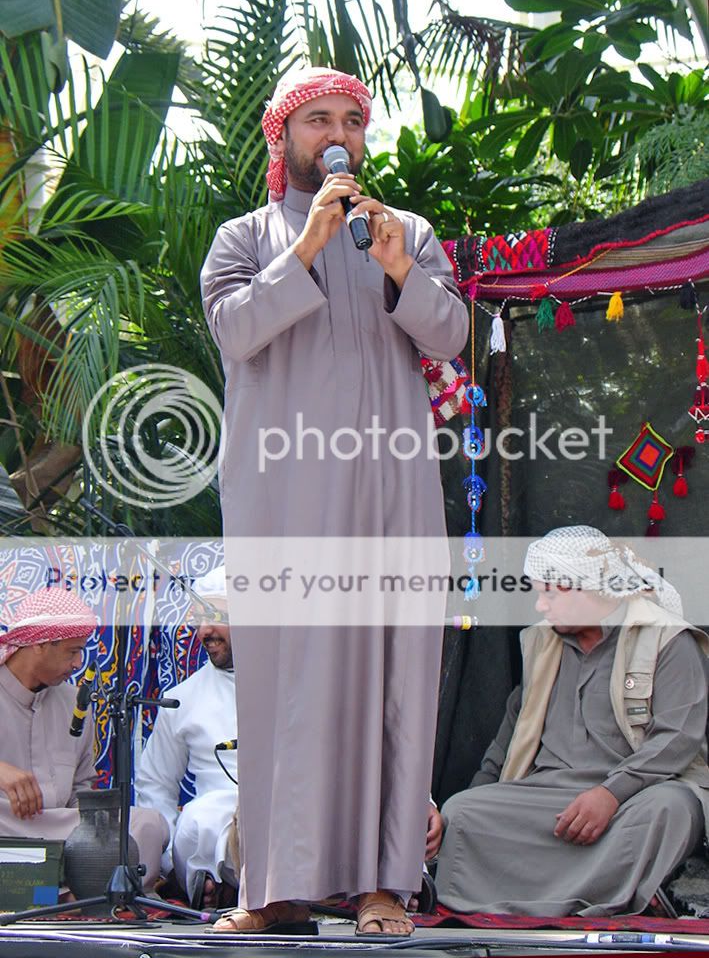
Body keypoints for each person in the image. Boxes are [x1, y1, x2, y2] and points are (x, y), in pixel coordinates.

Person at [200, 67, 469, 935]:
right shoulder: (243, 238)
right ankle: (272, 892)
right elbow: (237, 331)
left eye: (350, 118)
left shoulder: (407, 233)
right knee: (286, 685)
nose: (337, 131)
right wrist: (305, 249)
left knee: (397, 678)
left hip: (390, 491)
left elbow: (453, 336)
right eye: (317, 119)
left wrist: (397, 267)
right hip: (285, 498)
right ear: (283, 140)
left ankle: (383, 886)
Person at [435, 525, 709, 917]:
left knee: (670, 809)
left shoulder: (667, 640)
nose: (541, 606)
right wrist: (461, 806)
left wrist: (610, 794)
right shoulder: (542, 646)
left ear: (589, 587)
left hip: (637, 795)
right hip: (548, 795)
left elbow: (678, 738)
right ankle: (589, 897)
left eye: (549, 592)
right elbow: (509, 740)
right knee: (463, 812)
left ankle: (599, 899)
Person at [0, 587, 168, 891]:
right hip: (5, 826)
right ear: (39, 645)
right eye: (72, 652)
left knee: (145, 824)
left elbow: (81, 788)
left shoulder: (74, 702)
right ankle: (68, 889)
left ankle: (76, 889)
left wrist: (98, 825)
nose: (79, 664)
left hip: (60, 829)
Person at [135, 565, 239, 909]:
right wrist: (167, 863)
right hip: (210, 830)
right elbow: (155, 786)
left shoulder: (301, 686)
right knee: (199, 818)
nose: (204, 631)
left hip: (291, 820)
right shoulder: (182, 698)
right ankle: (217, 888)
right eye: (199, 618)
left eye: (217, 616)